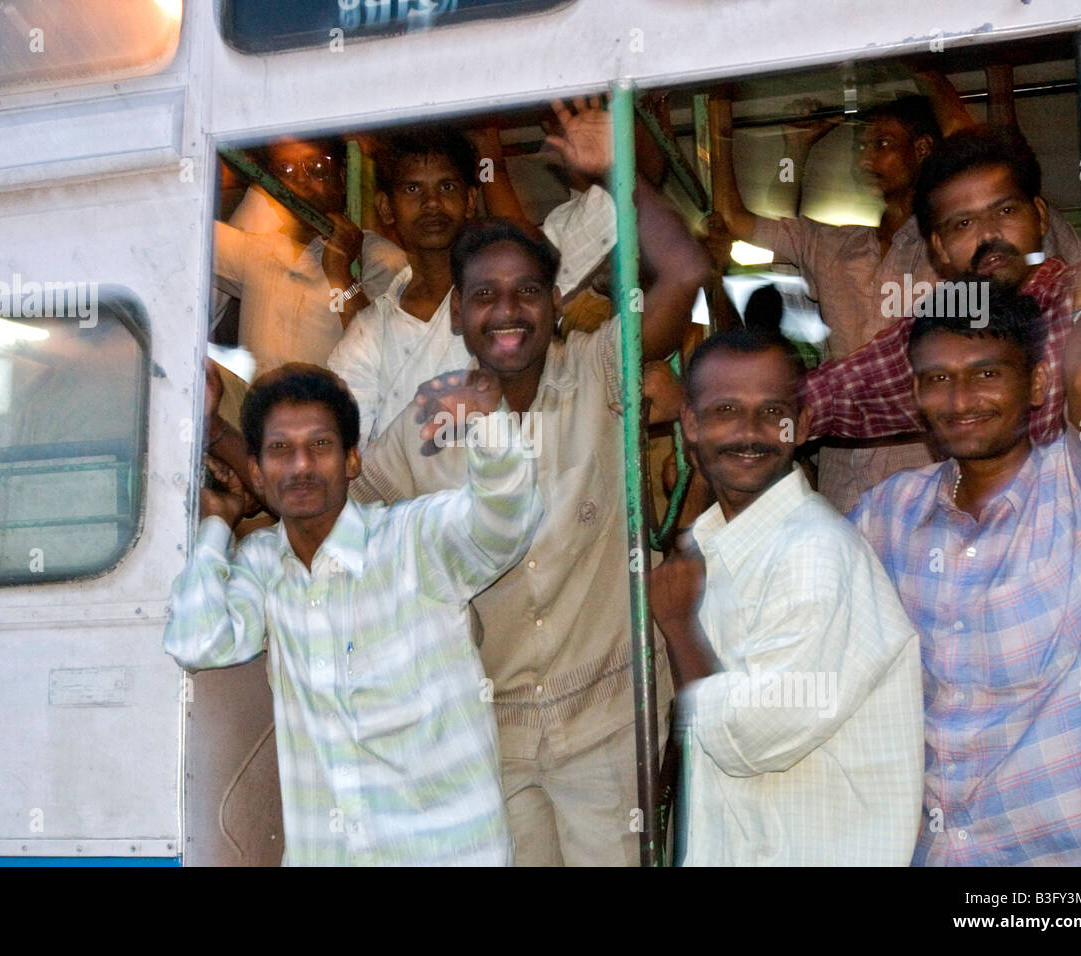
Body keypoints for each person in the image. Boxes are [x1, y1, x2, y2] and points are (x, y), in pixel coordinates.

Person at [352, 133, 710, 866]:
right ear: (457, 314)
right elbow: (346, 517)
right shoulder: (428, 418)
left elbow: (684, 270)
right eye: (484, 295)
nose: (506, 312)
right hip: (494, 732)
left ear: (555, 302)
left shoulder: (604, 371)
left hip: (611, 718)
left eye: (527, 292)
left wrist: (616, 172)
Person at [163, 364, 543, 865]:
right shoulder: (261, 566)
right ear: (255, 472)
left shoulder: (413, 540)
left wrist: (489, 424)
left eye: (320, 445)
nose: (300, 465)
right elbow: (196, 639)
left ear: (352, 461)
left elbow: (506, 520)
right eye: (280, 449)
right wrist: (217, 525)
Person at [849, 283, 1081, 865]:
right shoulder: (888, 512)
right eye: (936, 378)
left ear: (1035, 383)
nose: (959, 400)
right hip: (920, 851)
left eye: (986, 374)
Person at [711, 85, 1081, 512]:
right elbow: (842, 389)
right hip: (904, 511)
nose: (988, 236)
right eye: (963, 223)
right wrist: (721, 408)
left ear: (1039, 216)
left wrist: (931, 68)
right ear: (941, 249)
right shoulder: (945, 318)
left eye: (1005, 212)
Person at [650, 328, 923, 866]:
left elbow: (748, 736)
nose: (748, 433)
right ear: (690, 424)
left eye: (770, 412)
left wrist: (680, 629)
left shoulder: (814, 554)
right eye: (725, 409)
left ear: (799, 426)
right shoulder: (715, 548)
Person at [328, 106, 616, 450]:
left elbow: (610, 211)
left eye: (446, 186)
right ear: (387, 208)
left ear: (469, 200)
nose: (432, 203)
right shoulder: (371, 333)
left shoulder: (521, 281)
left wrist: (609, 162)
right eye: (412, 190)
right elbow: (344, 447)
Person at [214, 137, 408, 378]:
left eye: (317, 167)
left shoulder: (379, 258)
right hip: (263, 412)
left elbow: (383, 355)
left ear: (342, 176)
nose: (301, 180)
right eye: (285, 170)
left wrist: (343, 279)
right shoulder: (259, 251)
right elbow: (185, 232)